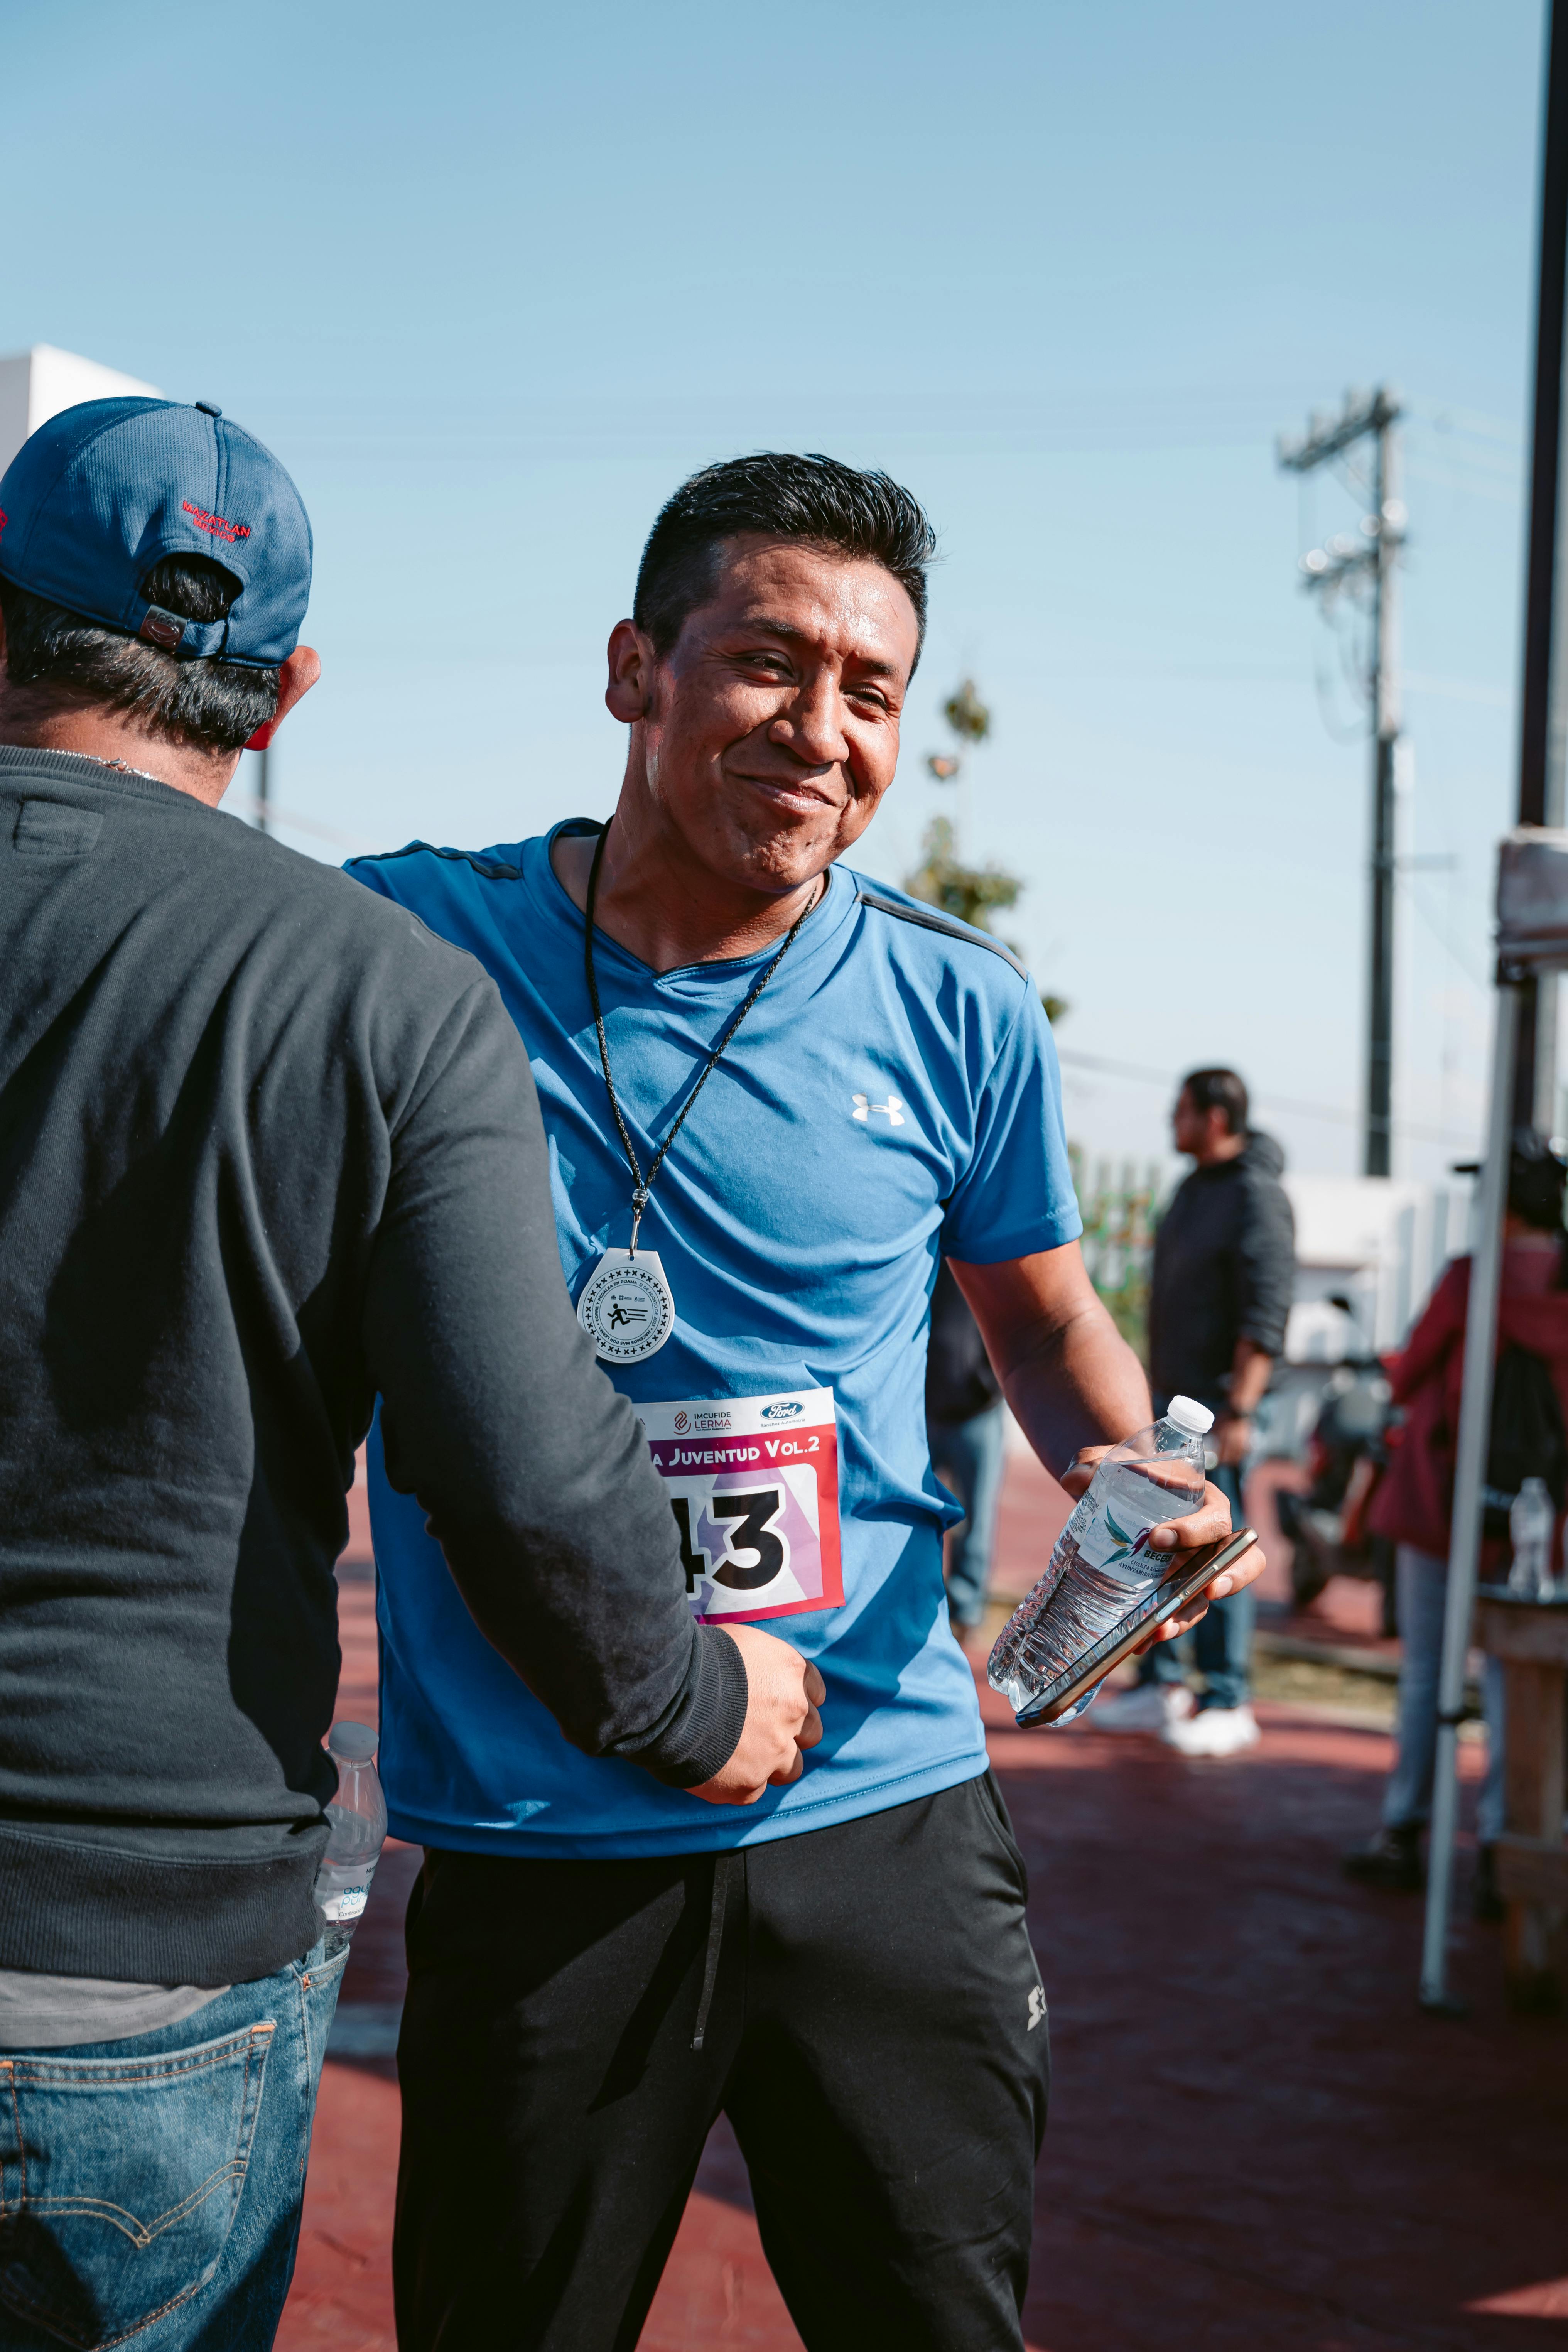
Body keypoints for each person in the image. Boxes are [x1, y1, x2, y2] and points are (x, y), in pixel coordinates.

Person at [348, 452, 1263, 2352]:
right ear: (634, 668)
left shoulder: (958, 1006)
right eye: (770, 662)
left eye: (872, 692)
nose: (824, 729)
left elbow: (1039, 1317)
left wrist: (1140, 1460)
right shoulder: (406, 949)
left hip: (882, 1805)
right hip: (540, 1836)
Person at [0, 400, 818, 2352]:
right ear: (282, 692)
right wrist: (703, 1697)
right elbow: (529, 1473)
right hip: (129, 1960)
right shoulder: (375, 987)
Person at [1343, 1132, 1568, 1913]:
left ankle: (1407, 1830)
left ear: (1500, 1204)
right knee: (1520, 1686)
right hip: (1544, 1519)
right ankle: (1505, 1845)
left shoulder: (1472, 1279)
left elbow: (1408, 1376)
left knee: (1428, 1676)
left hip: (1446, 1502)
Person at [1094, 1066, 1294, 1756]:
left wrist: (1240, 1408)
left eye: (1179, 1112)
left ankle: (1229, 1696)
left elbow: (1266, 1313)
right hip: (1174, 1407)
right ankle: (1163, 1682)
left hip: (1220, 1411)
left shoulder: (1255, 1196)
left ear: (1213, 1117)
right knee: (1164, 1544)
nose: (1169, 1124)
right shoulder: (1193, 1189)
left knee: (1218, 1542)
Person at [926, 1258, 1008, 1643]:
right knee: (913, 1517)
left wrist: (988, 1381)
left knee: (975, 1519)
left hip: (978, 1409)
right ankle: (918, 1606)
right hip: (922, 1407)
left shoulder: (987, 1250)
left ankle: (965, 1613)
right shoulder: (919, 1249)